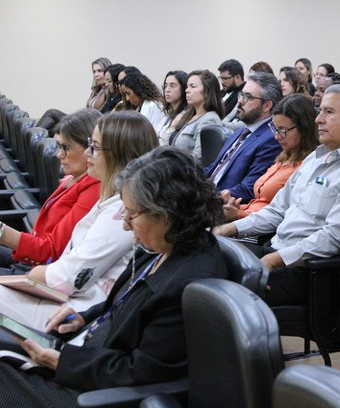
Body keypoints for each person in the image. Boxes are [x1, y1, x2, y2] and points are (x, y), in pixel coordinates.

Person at [0, 147, 227, 407]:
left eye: (131, 214)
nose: (125, 224)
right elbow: (127, 302)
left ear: (166, 212)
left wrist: (62, 362)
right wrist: (85, 316)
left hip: (94, 393)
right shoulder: (167, 247)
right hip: (88, 352)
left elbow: (141, 372)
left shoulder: (187, 285)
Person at [214, 85, 340, 306]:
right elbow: (277, 210)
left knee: (218, 291)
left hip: (308, 270)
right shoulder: (316, 158)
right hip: (276, 250)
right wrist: (228, 228)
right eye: (320, 111)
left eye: (329, 112)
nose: (318, 119)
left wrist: (272, 261)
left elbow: (333, 238)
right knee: (204, 256)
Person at [0, 112, 159, 329]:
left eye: (94, 147)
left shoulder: (123, 209)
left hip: (69, 312)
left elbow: (68, 276)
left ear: (117, 154)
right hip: (61, 298)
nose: (87, 153)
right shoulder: (108, 194)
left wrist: (35, 274)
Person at [0, 109, 101, 271]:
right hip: (32, 259)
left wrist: (1, 232)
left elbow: (51, 253)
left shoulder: (94, 187)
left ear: (89, 148)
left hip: (42, 272)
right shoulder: (74, 177)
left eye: (65, 148)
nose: (60, 155)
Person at [221, 94, 319, 222]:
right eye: (275, 129)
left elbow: (280, 215)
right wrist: (235, 208)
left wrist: (239, 214)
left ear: (304, 129)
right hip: (249, 220)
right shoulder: (284, 157)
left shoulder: (309, 166)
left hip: (261, 231)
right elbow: (260, 203)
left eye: (283, 130)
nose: (277, 137)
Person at [205, 73, 282, 203]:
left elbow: (248, 189)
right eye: (242, 94)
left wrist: (205, 199)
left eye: (248, 97)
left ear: (267, 106)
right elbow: (213, 169)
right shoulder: (241, 131)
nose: (240, 101)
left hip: (222, 205)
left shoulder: (271, 139)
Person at [167, 69, 227, 161]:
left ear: (207, 92)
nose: (187, 90)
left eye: (192, 86)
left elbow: (199, 158)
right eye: (187, 86)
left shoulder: (209, 119)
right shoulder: (189, 115)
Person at [156, 70, 188, 144]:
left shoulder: (185, 115)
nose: (167, 90)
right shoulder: (168, 114)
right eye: (165, 86)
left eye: (172, 86)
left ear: (183, 89)